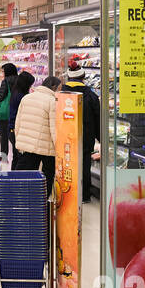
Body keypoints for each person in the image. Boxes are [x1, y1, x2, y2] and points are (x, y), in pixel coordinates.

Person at [12, 75, 62, 197]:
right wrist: (59, 150)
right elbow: (54, 128)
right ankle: (43, 201)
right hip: (46, 147)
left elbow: (18, 122)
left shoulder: (27, 98)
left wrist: (19, 141)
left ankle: (22, 199)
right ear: (54, 87)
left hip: (27, 144)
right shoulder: (52, 101)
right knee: (48, 175)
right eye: (60, 88)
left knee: (26, 175)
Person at [61, 59, 102, 199]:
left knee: (66, 163)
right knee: (84, 164)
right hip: (85, 136)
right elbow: (97, 118)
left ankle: (67, 194)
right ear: (83, 77)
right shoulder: (91, 96)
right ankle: (84, 194)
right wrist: (100, 137)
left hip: (64, 135)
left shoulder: (61, 93)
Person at [7, 71, 35, 165]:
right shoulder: (21, 96)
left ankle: (13, 177)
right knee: (20, 159)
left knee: (16, 157)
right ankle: (17, 177)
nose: (30, 87)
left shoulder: (16, 92)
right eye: (30, 85)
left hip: (12, 128)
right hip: (17, 130)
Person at [0, 62, 18, 158]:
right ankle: (16, 154)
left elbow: (1, 96)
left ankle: (4, 156)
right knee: (14, 135)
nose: (2, 73)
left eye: (3, 71)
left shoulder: (5, 81)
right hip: (16, 112)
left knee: (4, 136)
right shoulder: (19, 80)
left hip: (5, 112)